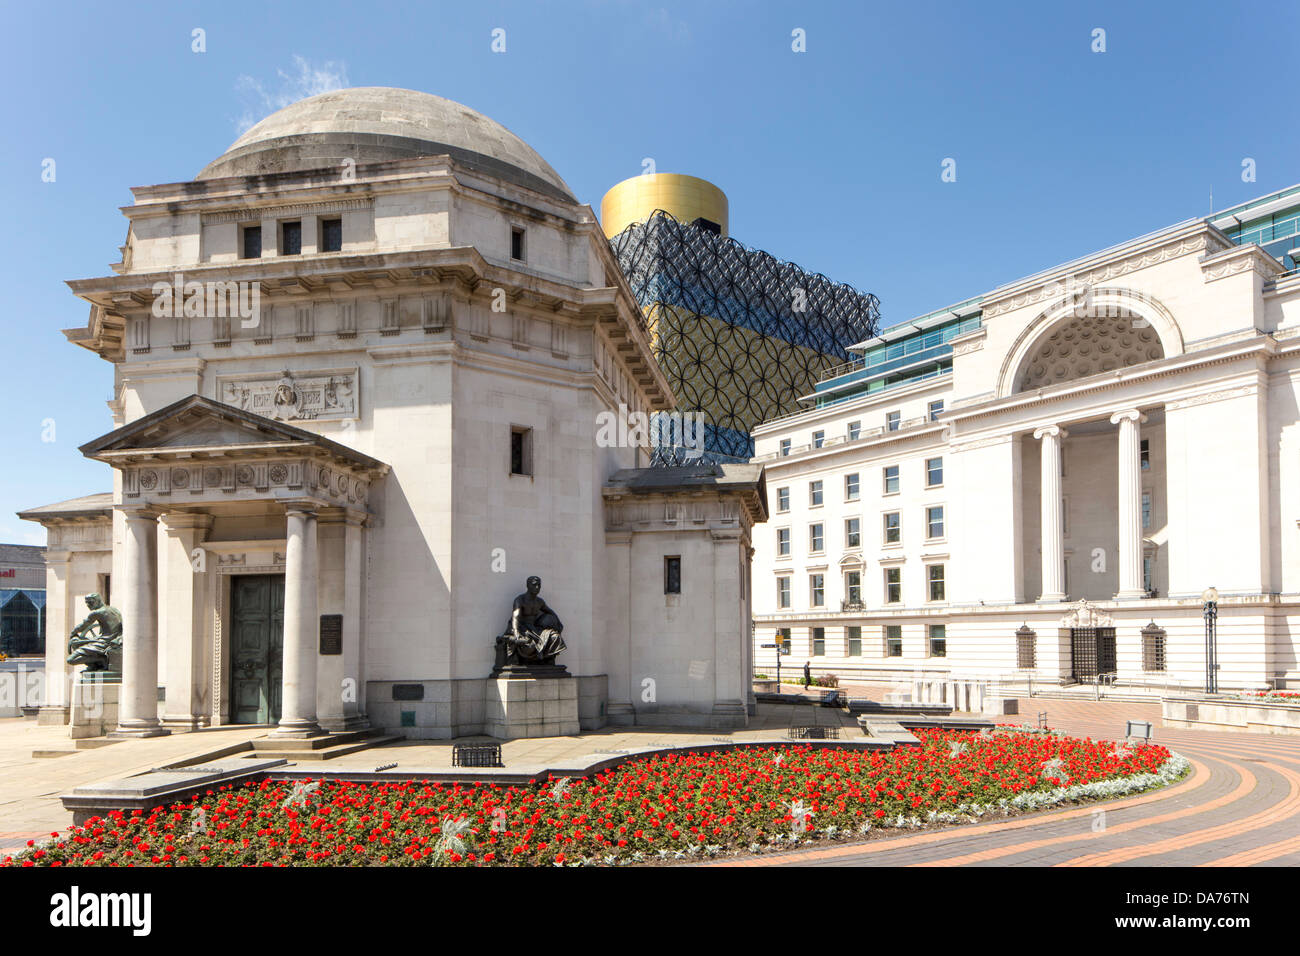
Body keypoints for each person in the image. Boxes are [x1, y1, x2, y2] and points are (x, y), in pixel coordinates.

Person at [500, 576, 566, 665]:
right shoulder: (520, 600)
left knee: (555, 636)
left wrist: (558, 623)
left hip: (534, 628)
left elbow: (550, 612)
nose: (537, 587)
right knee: (529, 644)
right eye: (534, 585)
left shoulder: (540, 601)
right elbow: (515, 617)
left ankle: (548, 659)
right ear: (528, 585)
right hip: (521, 628)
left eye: (539, 585)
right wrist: (516, 632)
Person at [67, 593, 122, 672]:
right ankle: (94, 665)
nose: (88, 605)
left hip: (104, 643)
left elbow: (83, 626)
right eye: (86, 602)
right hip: (113, 640)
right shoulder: (114, 610)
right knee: (82, 642)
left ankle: (101, 660)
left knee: (70, 660)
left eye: (90, 602)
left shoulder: (97, 613)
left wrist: (73, 633)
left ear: (97, 601)